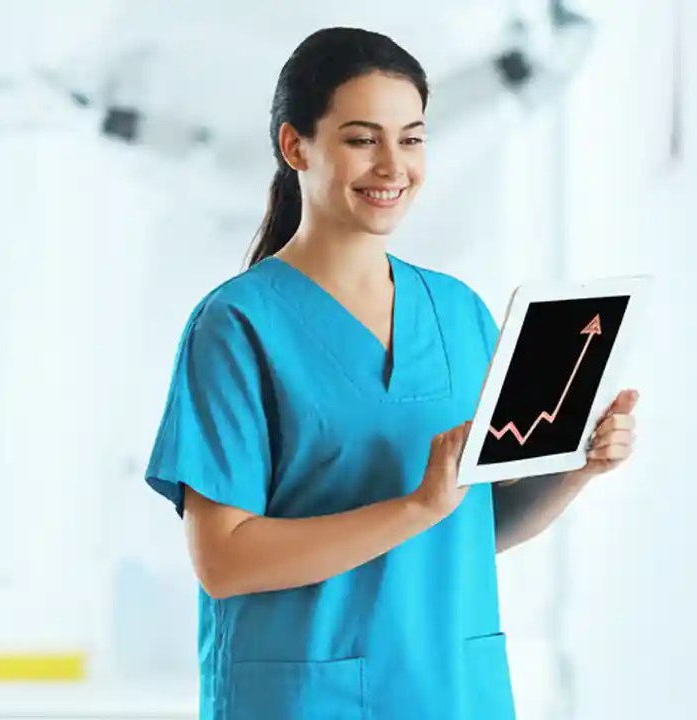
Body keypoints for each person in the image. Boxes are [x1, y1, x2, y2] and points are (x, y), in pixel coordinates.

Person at [143, 27, 639, 720]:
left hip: (453, 693)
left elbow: (468, 528)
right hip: (308, 700)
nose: (392, 166)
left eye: (411, 139)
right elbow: (224, 560)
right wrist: (413, 507)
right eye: (361, 139)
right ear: (295, 146)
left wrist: (576, 470)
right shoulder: (236, 326)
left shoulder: (459, 313)